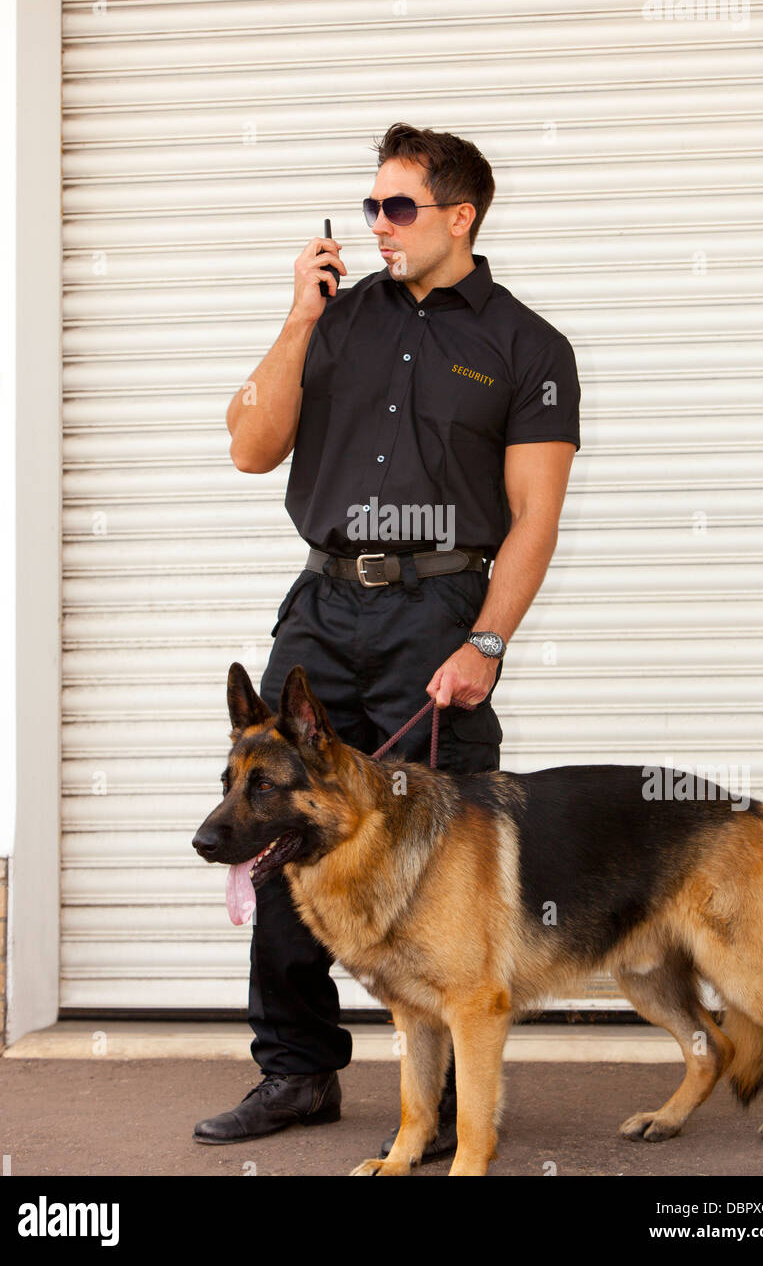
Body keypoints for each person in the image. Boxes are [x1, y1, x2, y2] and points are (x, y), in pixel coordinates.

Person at [193, 123, 580, 1158]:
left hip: (437, 615)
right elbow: (249, 446)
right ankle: (296, 1071)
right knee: (279, 828)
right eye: (369, 206)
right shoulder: (332, 320)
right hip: (321, 610)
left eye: (398, 207)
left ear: (459, 216)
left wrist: (486, 642)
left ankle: (447, 1104)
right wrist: (298, 314)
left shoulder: (527, 347)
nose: (377, 225)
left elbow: (535, 517)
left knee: (441, 855)